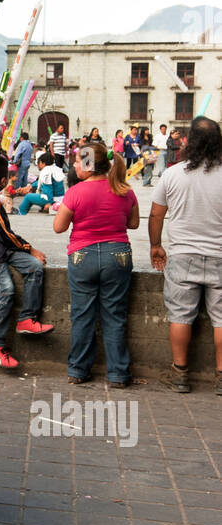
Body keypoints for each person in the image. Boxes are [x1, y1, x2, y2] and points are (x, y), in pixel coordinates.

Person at [53, 142, 139, 385]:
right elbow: (133, 224)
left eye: (79, 161)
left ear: (89, 165)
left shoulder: (75, 192)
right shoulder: (125, 190)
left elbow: (59, 227)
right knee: (115, 315)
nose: (75, 165)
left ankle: (78, 370)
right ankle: (118, 374)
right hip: (117, 256)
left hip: (83, 256)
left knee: (82, 316)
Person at [148, 116, 222, 394]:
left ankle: (180, 374)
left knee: (180, 316)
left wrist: (156, 245)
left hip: (181, 256)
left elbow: (156, 213)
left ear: (188, 142)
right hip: (219, 255)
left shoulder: (172, 174)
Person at [0, 156, 52, 369]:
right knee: (6, 288)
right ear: (2, 181)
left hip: (3, 248)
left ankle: (27, 318)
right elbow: (4, 233)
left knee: (35, 268)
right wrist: (30, 248)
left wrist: (28, 252)